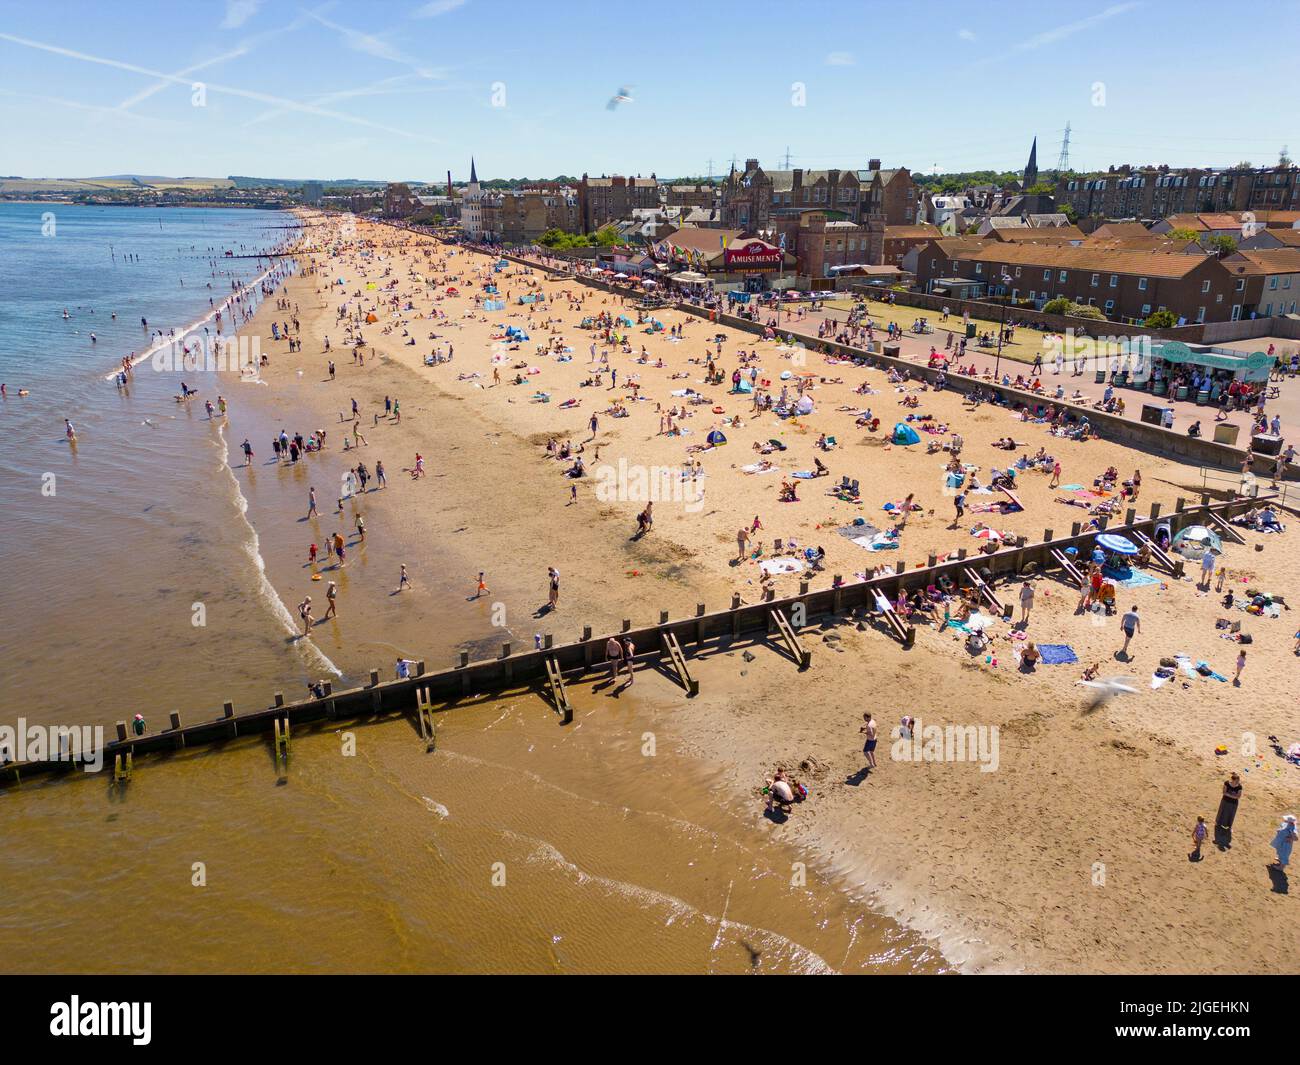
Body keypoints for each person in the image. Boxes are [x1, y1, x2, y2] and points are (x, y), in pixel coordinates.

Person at [1217, 773, 1242, 842]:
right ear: (1232, 780)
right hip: (1225, 801)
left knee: (1231, 814)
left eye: (1238, 780)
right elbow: (1224, 792)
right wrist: (1233, 796)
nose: (1238, 782)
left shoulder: (1239, 787)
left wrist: (1229, 795)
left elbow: (1238, 796)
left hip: (1233, 803)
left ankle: (1228, 826)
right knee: (1222, 812)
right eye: (1236, 780)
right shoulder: (1227, 783)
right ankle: (1219, 824)